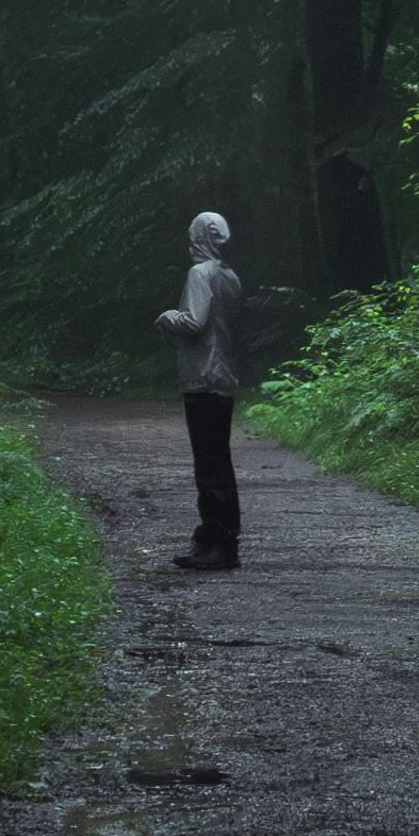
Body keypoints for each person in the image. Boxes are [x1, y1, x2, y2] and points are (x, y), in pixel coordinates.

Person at [156, 207, 244, 571]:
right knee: (218, 461)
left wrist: (166, 317)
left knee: (209, 465)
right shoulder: (230, 276)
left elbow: (193, 323)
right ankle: (212, 538)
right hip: (223, 377)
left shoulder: (200, 274)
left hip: (203, 378)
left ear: (198, 238)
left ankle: (219, 544)